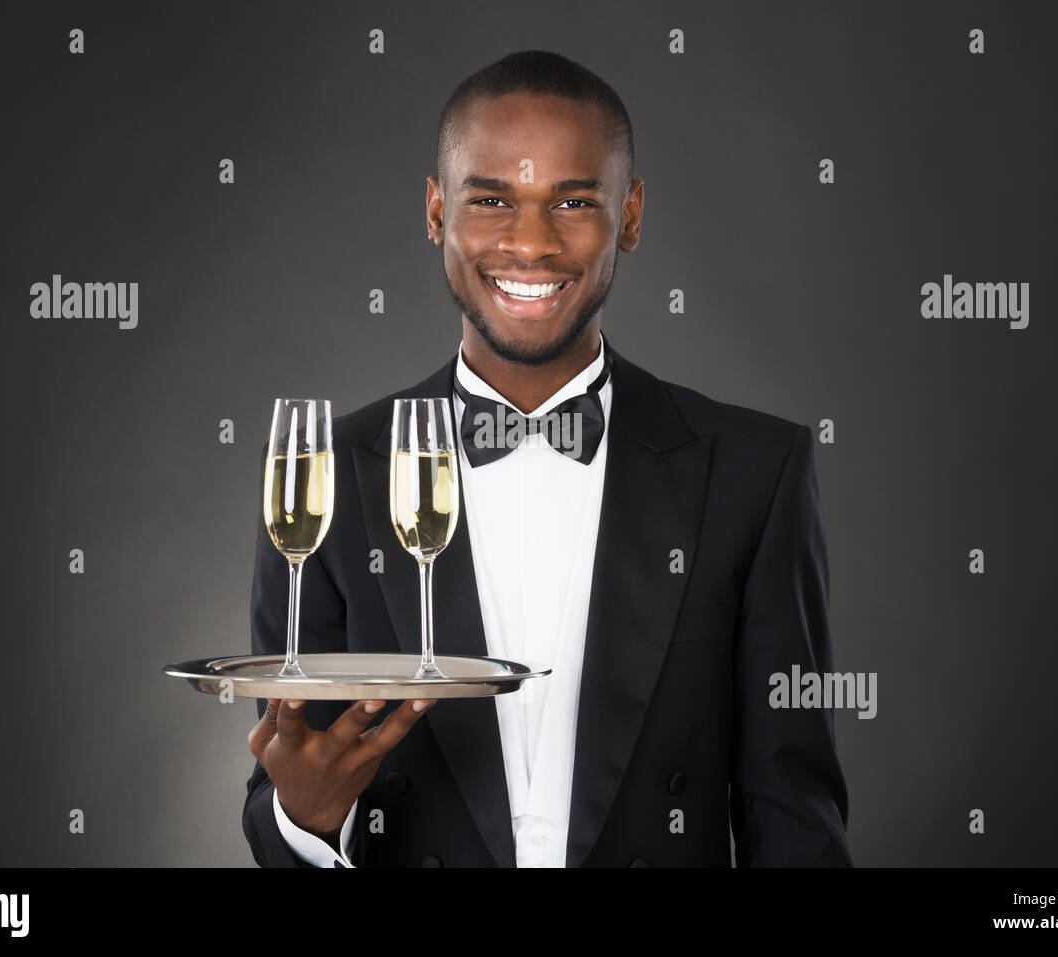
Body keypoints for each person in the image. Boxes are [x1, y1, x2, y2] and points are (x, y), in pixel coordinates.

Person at [243, 50, 852, 868]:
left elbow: (795, 819)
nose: (530, 243)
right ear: (434, 210)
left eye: (573, 201)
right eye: (491, 199)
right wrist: (306, 820)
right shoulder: (328, 474)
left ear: (630, 216)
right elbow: (278, 801)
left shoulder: (755, 470)